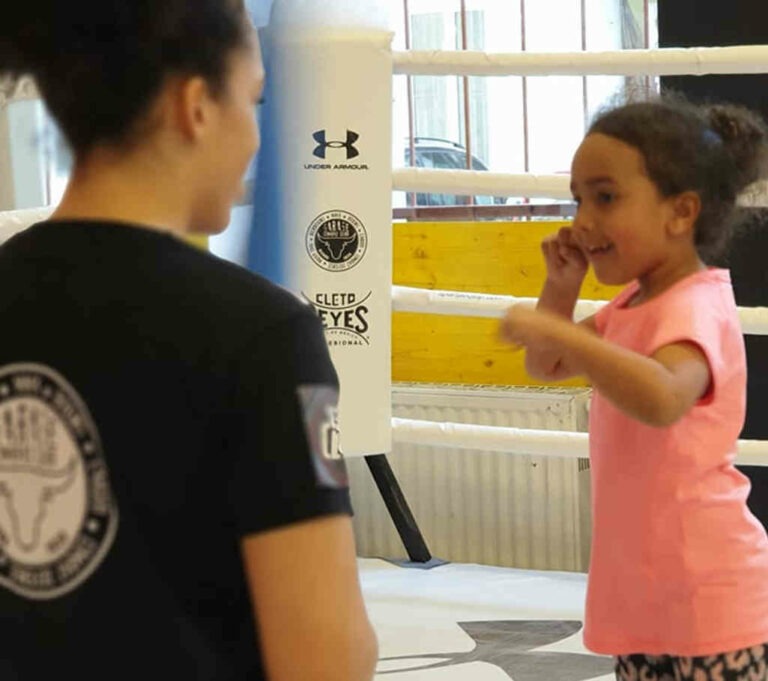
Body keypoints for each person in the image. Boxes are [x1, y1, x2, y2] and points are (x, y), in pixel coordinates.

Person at [0, 1, 378, 680]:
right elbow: (324, 660)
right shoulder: (262, 335)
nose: (257, 136)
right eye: (252, 99)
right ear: (196, 104)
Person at [500, 95, 768, 680]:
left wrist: (564, 332)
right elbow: (545, 365)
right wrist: (561, 292)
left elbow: (665, 397)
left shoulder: (695, 307)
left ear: (681, 212)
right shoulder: (633, 303)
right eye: (577, 199)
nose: (582, 220)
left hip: (708, 595)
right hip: (650, 595)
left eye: (605, 197)